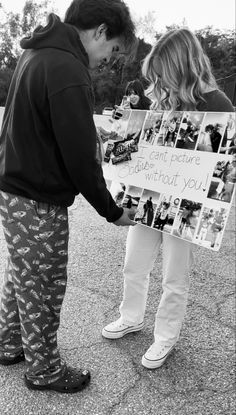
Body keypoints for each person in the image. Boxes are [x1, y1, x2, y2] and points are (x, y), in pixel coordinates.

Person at [0, 0, 136, 393]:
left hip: (14, 187)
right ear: (99, 32)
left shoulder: (36, 52)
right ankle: (44, 371)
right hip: (38, 198)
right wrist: (112, 211)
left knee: (23, 274)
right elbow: (80, 159)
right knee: (43, 282)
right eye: (111, 51)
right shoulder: (68, 69)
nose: (107, 61)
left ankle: (9, 343)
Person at [102, 28, 234, 369]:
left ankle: (166, 337)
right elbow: (126, 151)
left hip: (187, 208)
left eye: (162, 72)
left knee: (175, 278)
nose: (158, 80)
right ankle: (131, 317)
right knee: (134, 264)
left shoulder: (218, 104)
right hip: (151, 196)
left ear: (180, 66)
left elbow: (226, 167)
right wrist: (122, 122)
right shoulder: (160, 100)